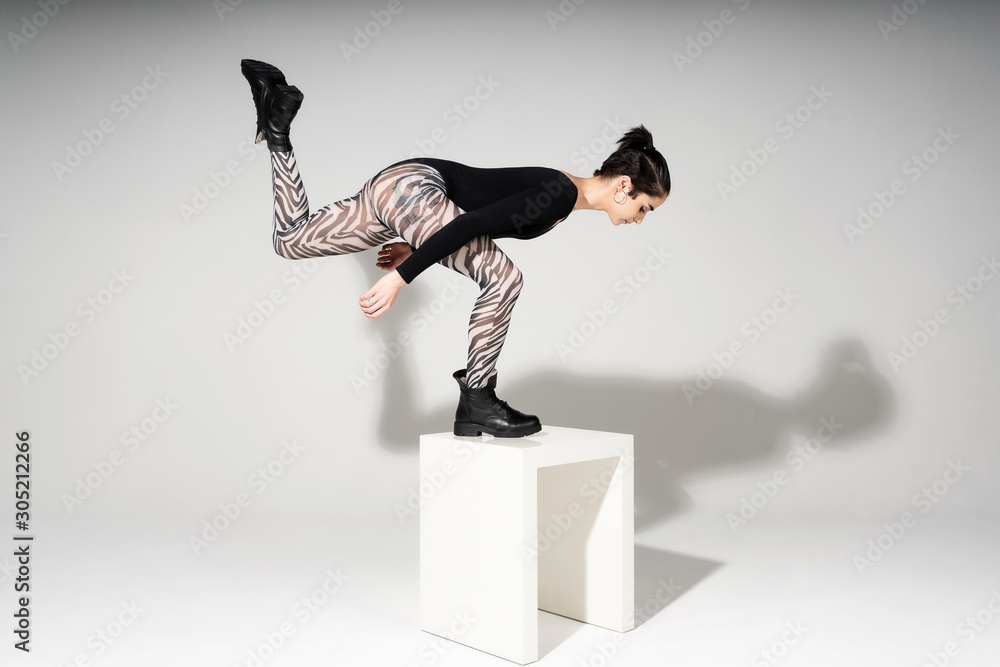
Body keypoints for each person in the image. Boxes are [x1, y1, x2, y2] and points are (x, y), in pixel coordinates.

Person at [241, 59, 671, 438]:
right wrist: (399, 278)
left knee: (290, 240)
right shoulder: (559, 194)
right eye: (644, 207)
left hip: (399, 185)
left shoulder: (561, 198)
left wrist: (414, 247)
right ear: (623, 186)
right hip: (415, 191)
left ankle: (276, 126)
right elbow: (473, 222)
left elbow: (475, 223)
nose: (640, 218)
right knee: (505, 279)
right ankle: (479, 398)